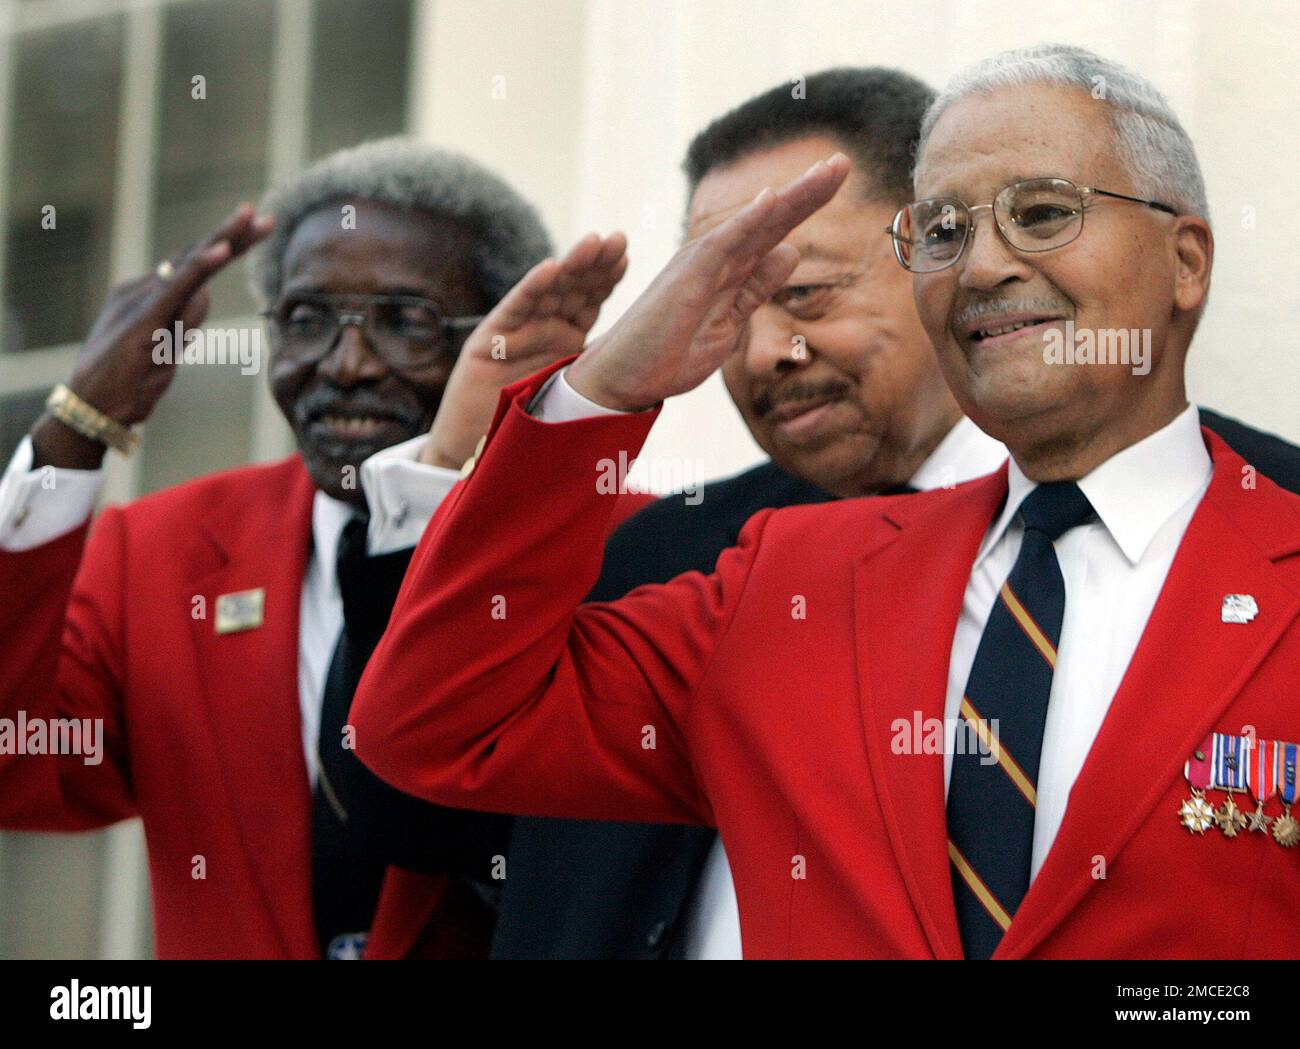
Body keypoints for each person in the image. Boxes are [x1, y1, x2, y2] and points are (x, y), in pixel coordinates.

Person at [352, 47, 1300, 959]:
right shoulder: (790, 578)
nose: (980, 268)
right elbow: (436, 726)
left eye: (1043, 213)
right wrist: (602, 392)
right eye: (941, 232)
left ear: (1186, 261)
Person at [0, 137, 630, 959]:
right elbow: (18, 770)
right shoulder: (162, 553)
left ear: (509, 336)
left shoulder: (622, 547)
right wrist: (75, 427)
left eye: (405, 322)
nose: (348, 365)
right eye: (307, 321)